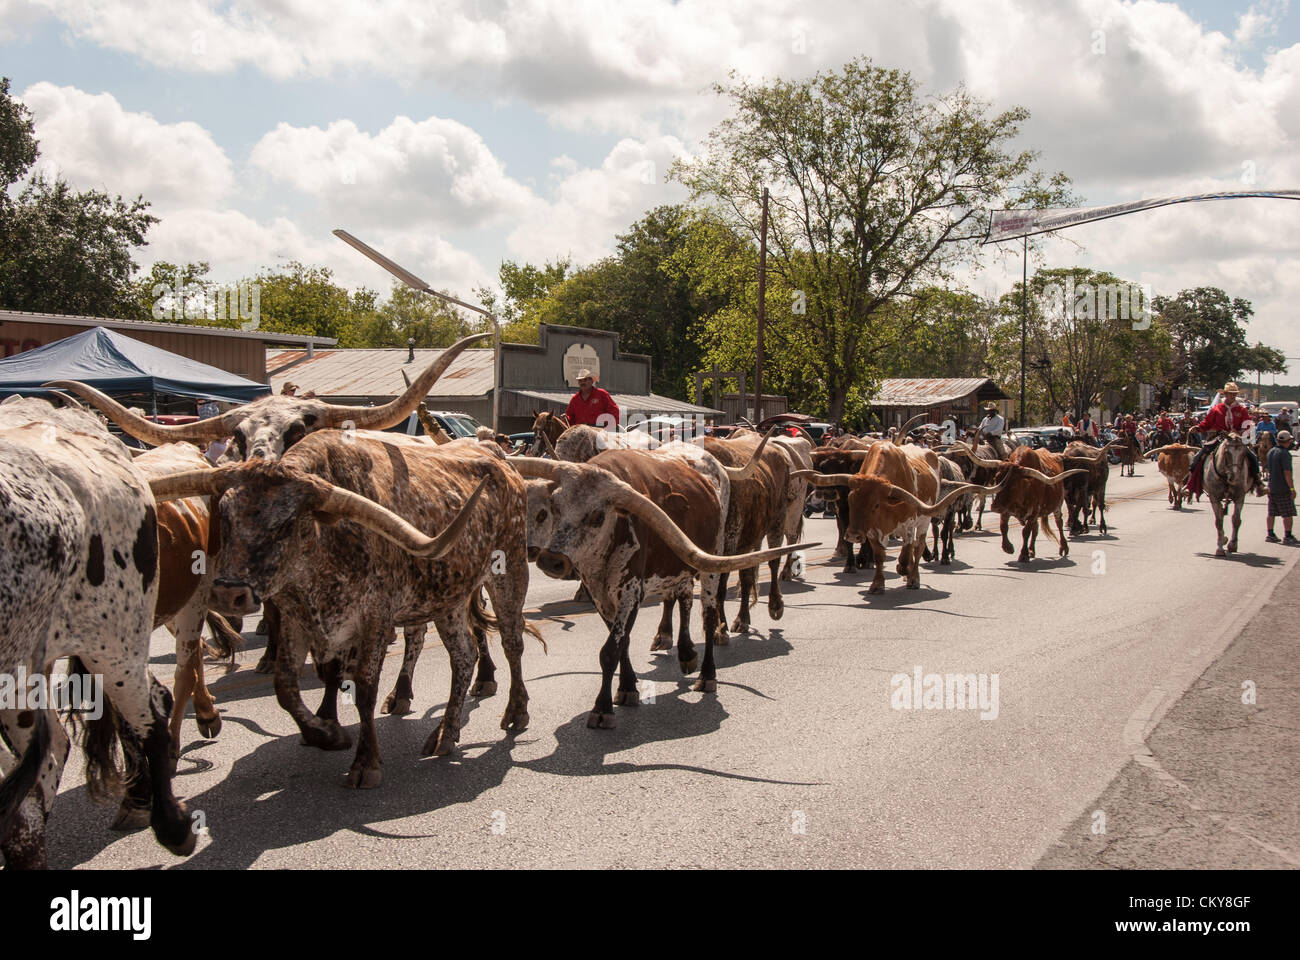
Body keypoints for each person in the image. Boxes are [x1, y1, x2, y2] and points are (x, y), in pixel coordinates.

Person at [1187, 382, 1264, 496]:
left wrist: (1240, 433)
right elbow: (1207, 423)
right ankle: (1190, 484)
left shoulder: (1241, 410)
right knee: (1199, 457)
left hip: (1237, 439)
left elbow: (1248, 425)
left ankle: (1259, 483)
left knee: (1252, 456)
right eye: (1230, 394)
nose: (1232, 396)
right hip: (1219, 437)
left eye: (1234, 394)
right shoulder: (1217, 409)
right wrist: (1198, 428)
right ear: (1225, 394)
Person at [1265, 431, 1297, 544]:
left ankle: (1270, 534)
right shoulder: (1285, 454)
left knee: (1271, 512)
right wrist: (1292, 489)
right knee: (1287, 513)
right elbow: (1287, 473)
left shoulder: (1271, 452)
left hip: (1271, 487)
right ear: (1287, 441)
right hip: (1283, 488)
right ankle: (1288, 535)